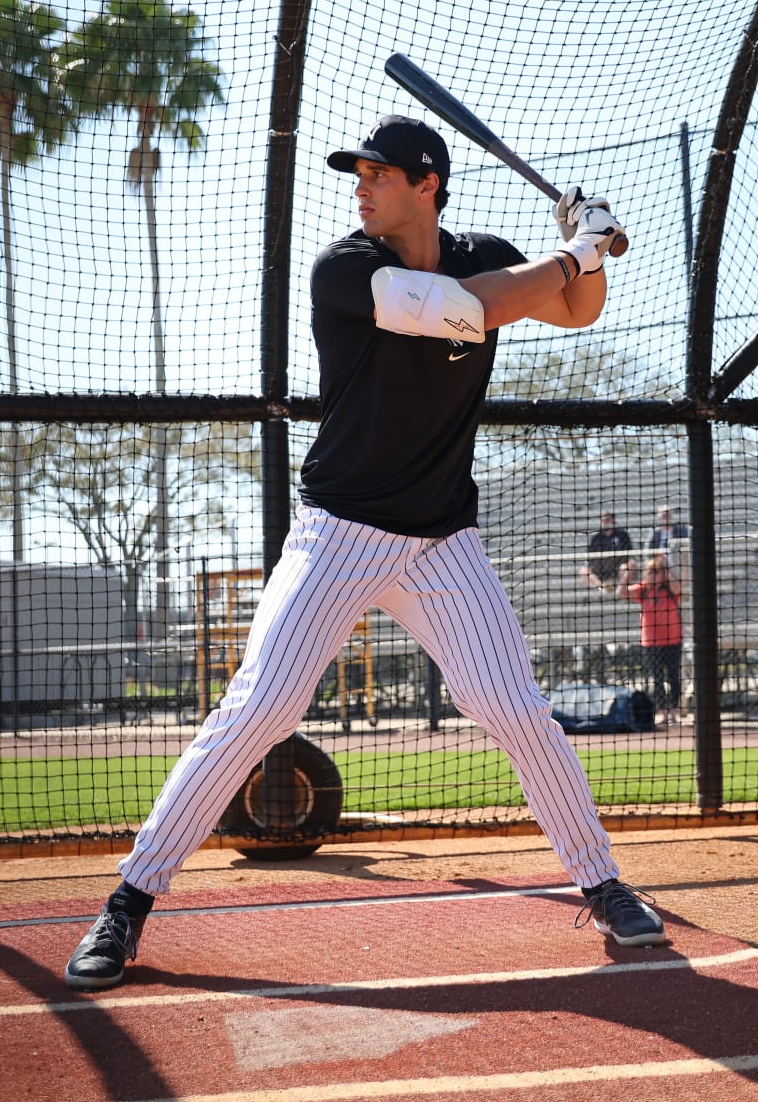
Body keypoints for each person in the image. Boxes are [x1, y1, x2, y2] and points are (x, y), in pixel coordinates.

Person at [64, 114, 663, 990]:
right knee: (260, 707)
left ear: (426, 184)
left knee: (513, 706)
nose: (359, 185)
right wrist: (576, 249)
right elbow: (478, 309)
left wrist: (592, 247)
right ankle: (127, 903)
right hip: (338, 530)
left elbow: (576, 309)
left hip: (442, 542)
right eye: (359, 174)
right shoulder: (347, 270)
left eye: (378, 173)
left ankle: (603, 882)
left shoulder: (484, 251)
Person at [622, 555, 683, 727]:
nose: (653, 576)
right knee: (657, 679)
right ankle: (663, 713)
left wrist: (666, 568)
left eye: (657, 572)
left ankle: (673, 712)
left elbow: (678, 587)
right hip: (651, 642)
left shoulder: (669, 590)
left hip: (672, 639)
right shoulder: (643, 590)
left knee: (673, 677)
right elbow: (622, 592)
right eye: (650, 572)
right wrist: (628, 573)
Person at [579, 510, 634, 593]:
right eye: (603, 520)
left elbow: (630, 553)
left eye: (608, 519)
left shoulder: (622, 534)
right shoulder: (596, 537)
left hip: (618, 568)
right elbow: (589, 557)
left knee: (629, 565)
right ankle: (602, 589)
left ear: (613, 520)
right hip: (601, 570)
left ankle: (620, 591)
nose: (606, 522)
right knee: (583, 571)